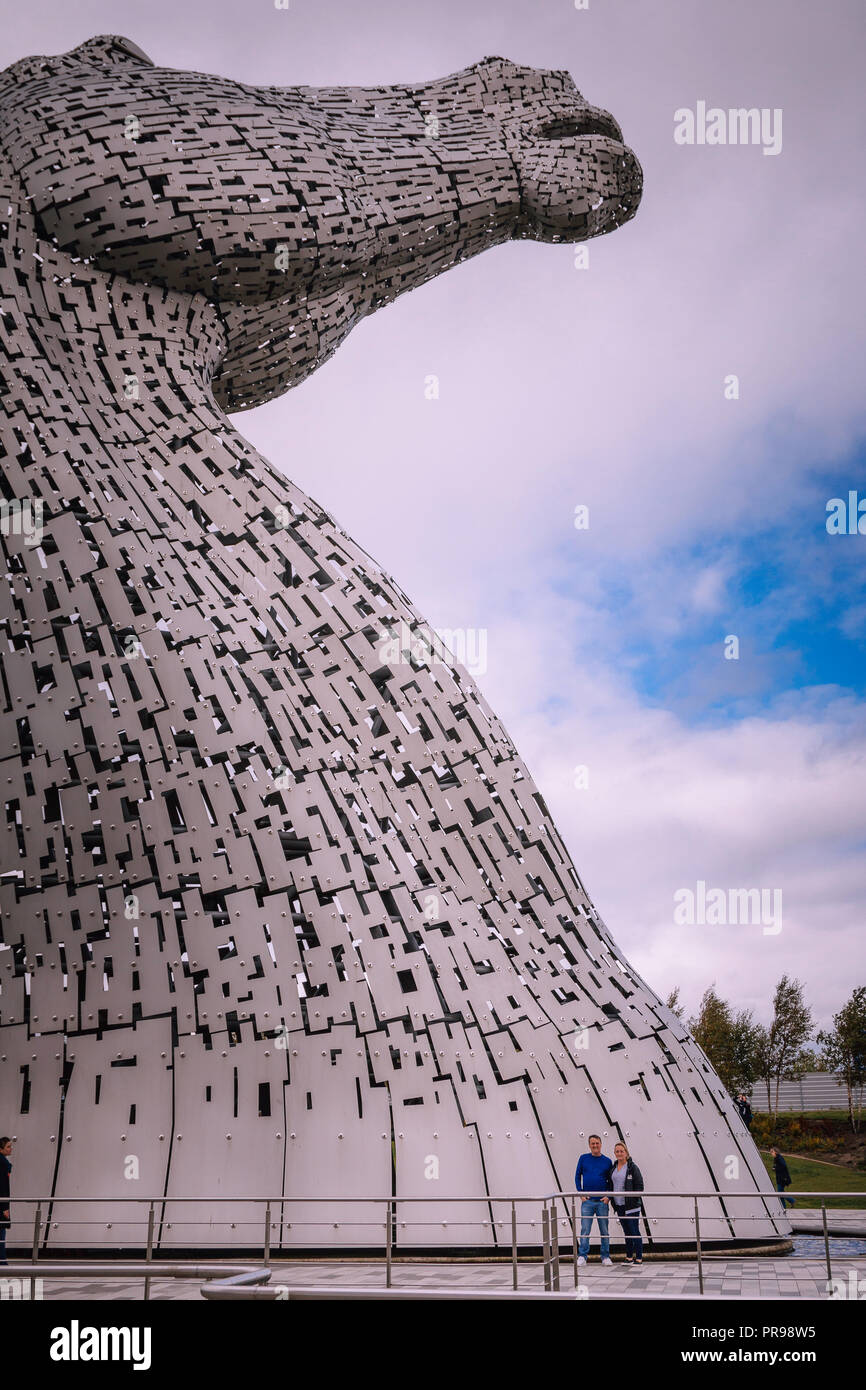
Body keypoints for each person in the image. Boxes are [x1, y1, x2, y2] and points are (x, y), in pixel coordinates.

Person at [575, 1134, 613, 1265]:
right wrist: (580, 1193)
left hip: (602, 1202)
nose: (595, 1145)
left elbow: (611, 1181)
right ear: (589, 1145)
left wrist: (608, 1196)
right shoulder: (583, 1158)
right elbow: (577, 1176)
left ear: (601, 1144)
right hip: (588, 1202)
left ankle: (605, 1256)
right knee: (585, 1229)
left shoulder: (607, 1161)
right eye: (592, 1143)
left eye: (597, 1143)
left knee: (604, 1230)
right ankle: (582, 1256)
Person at [607, 1140, 645, 1265]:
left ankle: (638, 1258)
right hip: (619, 1205)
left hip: (631, 1206)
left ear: (626, 1152)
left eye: (621, 1151)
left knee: (634, 1231)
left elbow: (639, 1186)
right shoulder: (613, 1168)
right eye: (617, 1151)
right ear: (615, 1153)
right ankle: (629, 1257)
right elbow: (611, 1184)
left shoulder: (632, 1167)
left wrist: (633, 1200)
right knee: (626, 1232)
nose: (619, 1153)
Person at [0, 1136, 11, 1265]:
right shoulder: (3, 1164)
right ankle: (2, 1262)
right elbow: (3, 1186)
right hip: (1, 1205)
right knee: (1, 1233)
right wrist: (5, 1207)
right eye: (8, 1146)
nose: (10, 1149)